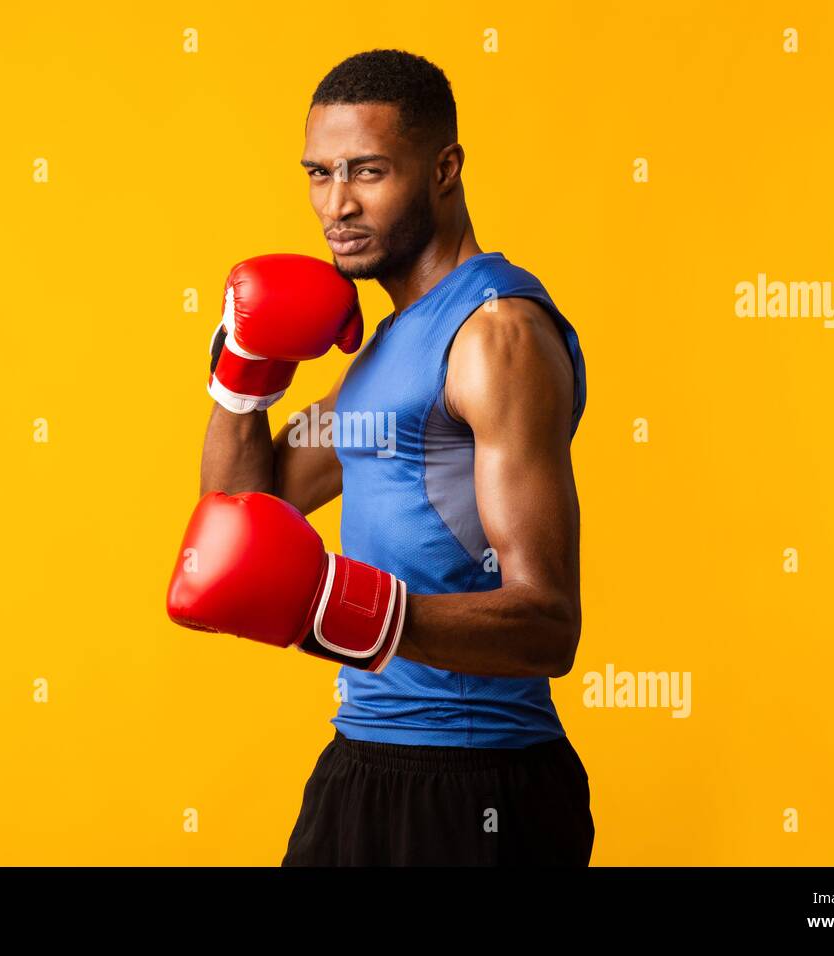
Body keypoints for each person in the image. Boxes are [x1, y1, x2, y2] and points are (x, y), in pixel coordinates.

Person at [168, 49, 594, 865]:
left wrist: (344, 608)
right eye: (319, 174)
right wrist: (240, 382)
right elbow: (233, 516)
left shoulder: (496, 336)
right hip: (361, 765)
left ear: (444, 169)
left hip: (480, 784)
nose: (337, 204)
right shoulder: (387, 348)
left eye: (367, 172)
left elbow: (549, 626)